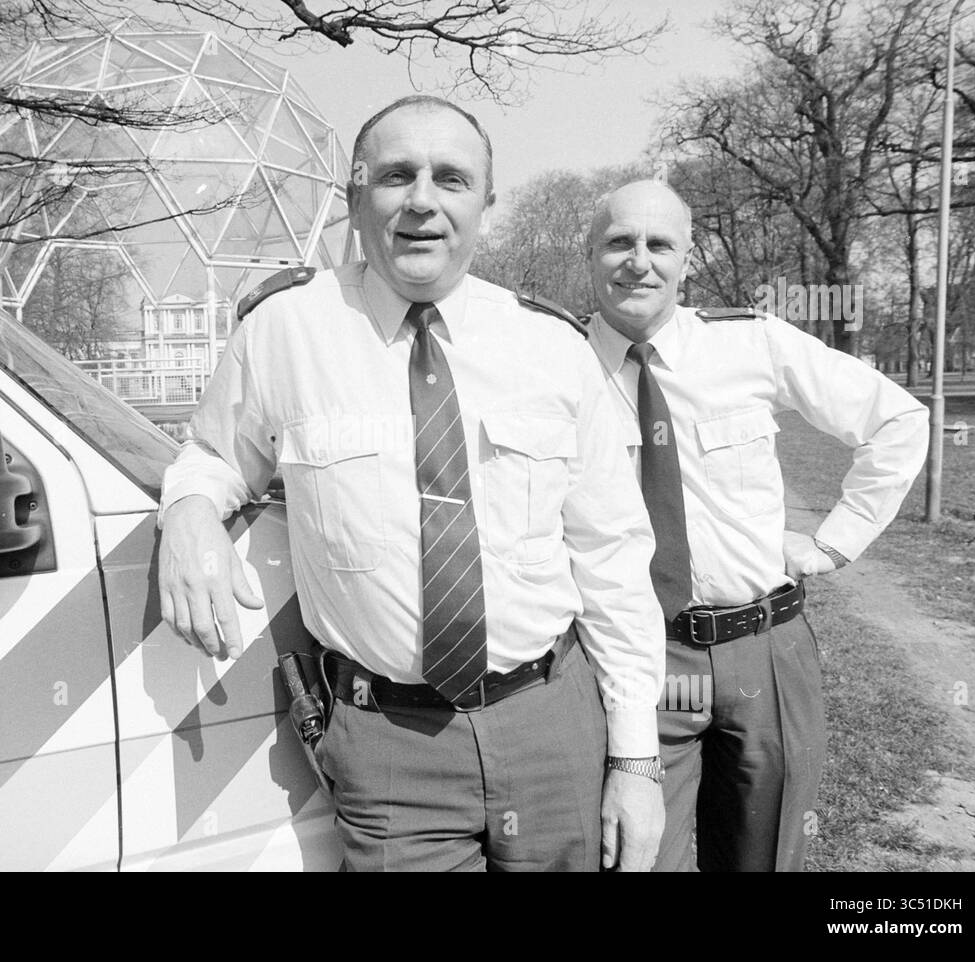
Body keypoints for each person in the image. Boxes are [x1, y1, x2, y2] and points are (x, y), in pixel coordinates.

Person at [157, 96, 667, 872]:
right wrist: (191, 511)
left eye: (452, 179)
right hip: (390, 748)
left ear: (484, 207)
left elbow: (614, 560)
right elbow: (215, 456)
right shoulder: (285, 331)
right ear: (356, 195)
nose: (423, 199)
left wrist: (635, 762)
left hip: (550, 726)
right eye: (397, 175)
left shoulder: (551, 347)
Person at [583, 179, 929, 871]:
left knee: (763, 855)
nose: (639, 261)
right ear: (590, 254)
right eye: (620, 242)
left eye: (661, 244)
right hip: (629, 663)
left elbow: (897, 419)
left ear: (690, 258)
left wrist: (834, 540)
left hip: (763, 652)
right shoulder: (551, 364)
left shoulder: (752, 344)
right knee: (631, 857)